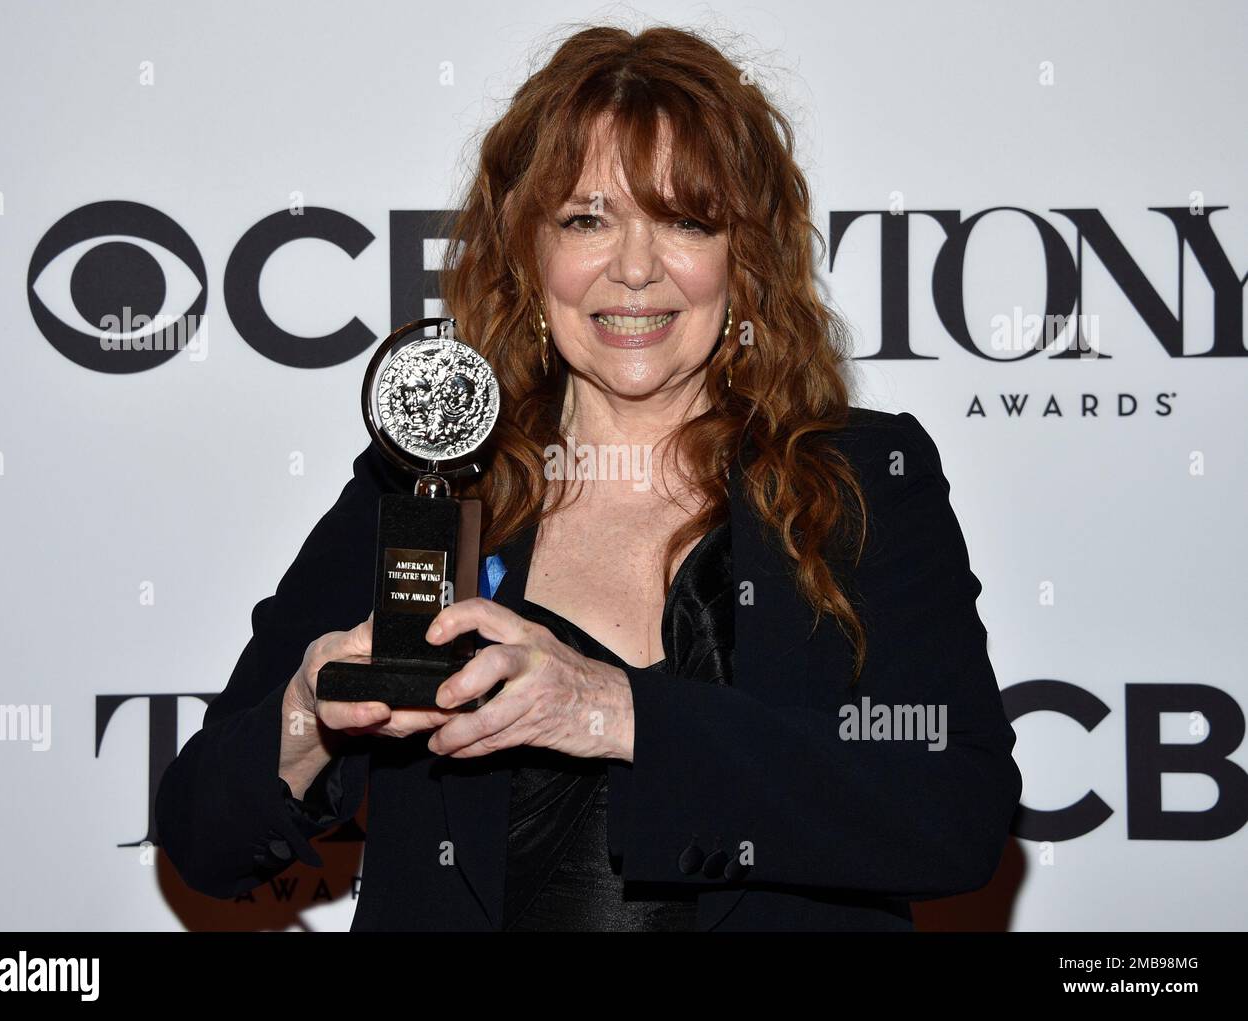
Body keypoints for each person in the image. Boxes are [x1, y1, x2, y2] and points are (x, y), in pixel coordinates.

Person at [155, 24, 1022, 931]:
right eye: (586, 219)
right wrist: (307, 717)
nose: (636, 268)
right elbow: (201, 836)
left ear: (746, 258)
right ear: (530, 255)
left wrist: (618, 713)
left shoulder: (857, 481)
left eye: (686, 220)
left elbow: (956, 807)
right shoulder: (431, 480)